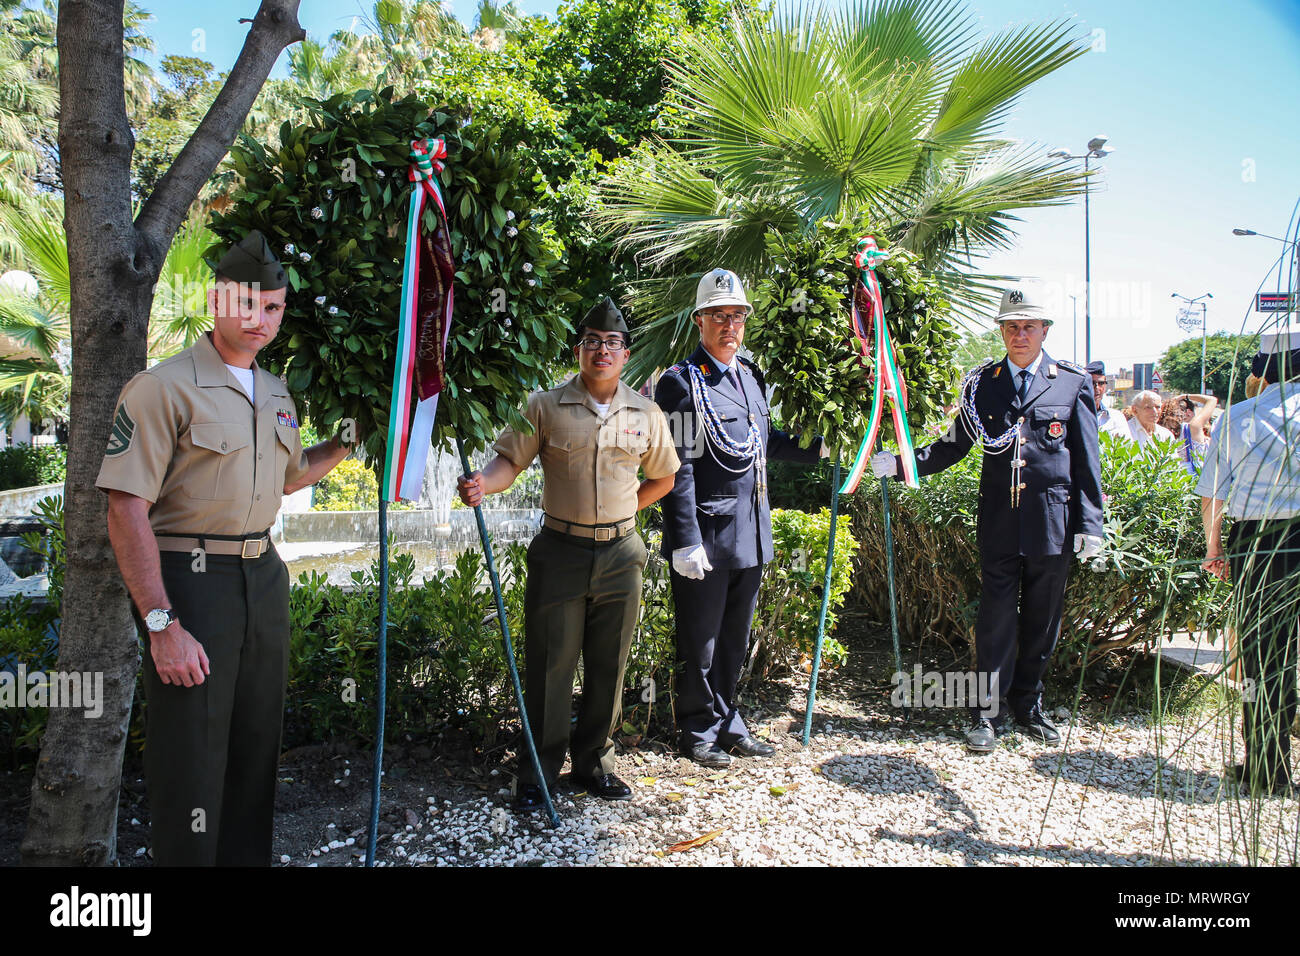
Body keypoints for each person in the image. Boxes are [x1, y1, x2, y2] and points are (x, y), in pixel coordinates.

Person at [95, 231, 352, 865]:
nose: (259, 320)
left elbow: (288, 478)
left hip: (262, 576)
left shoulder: (278, 393)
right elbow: (126, 507)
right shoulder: (163, 388)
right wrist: (161, 623)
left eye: (273, 307)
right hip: (190, 579)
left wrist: (349, 440)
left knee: (256, 745)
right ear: (216, 300)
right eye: (247, 304)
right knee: (192, 756)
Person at [457, 298, 680, 809]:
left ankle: (595, 765)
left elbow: (663, 477)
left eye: (613, 344)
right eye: (593, 342)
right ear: (580, 349)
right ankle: (538, 772)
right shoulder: (544, 406)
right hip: (559, 551)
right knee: (551, 666)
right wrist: (482, 486)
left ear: (626, 354)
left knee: (610, 665)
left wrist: (624, 513)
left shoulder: (646, 412)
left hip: (622, 555)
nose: (603, 350)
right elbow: (507, 463)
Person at [872, 285, 1103, 753]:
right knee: (996, 618)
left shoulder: (1071, 383)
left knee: (1043, 618)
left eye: (1029, 326)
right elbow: (954, 446)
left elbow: (1086, 460)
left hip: (1052, 520)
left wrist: (1090, 524)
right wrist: (900, 463)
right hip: (1000, 519)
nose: (1020, 334)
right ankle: (986, 712)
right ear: (1001, 330)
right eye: (1012, 326)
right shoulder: (984, 384)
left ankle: (1029, 704)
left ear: (1045, 330)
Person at [654, 269, 826, 768]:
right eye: (718, 316)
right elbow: (678, 463)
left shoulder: (750, 377)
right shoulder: (681, 382)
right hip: (706, 535)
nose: (729, 324)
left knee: (735, 638)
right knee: (701, 641)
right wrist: (684, 538)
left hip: (751, 533)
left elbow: (763, 444)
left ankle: (729, 721)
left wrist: (819, 446)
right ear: (699, 322)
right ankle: (697, 728)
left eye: (737, 316)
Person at [1198, 335, 1300, 796]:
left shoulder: (1238, 417)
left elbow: (1213, 493)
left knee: (1264, 658)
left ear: (1263, 369)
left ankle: (1266, 766)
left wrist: (1214, 549)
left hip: (1261, 542)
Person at [1158, 393, 1217, 476]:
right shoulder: (1194, 427)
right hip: (1195, 482)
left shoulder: (1159, 430)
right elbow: (1212, 400)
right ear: (1188, 412)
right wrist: (1184, 396)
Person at [1086, 360, 1133, 444]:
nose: (1097, 388)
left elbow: (1127, 447)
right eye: (1092, 383)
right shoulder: (1074, 415)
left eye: (1101, 383)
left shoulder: (1116, 417)